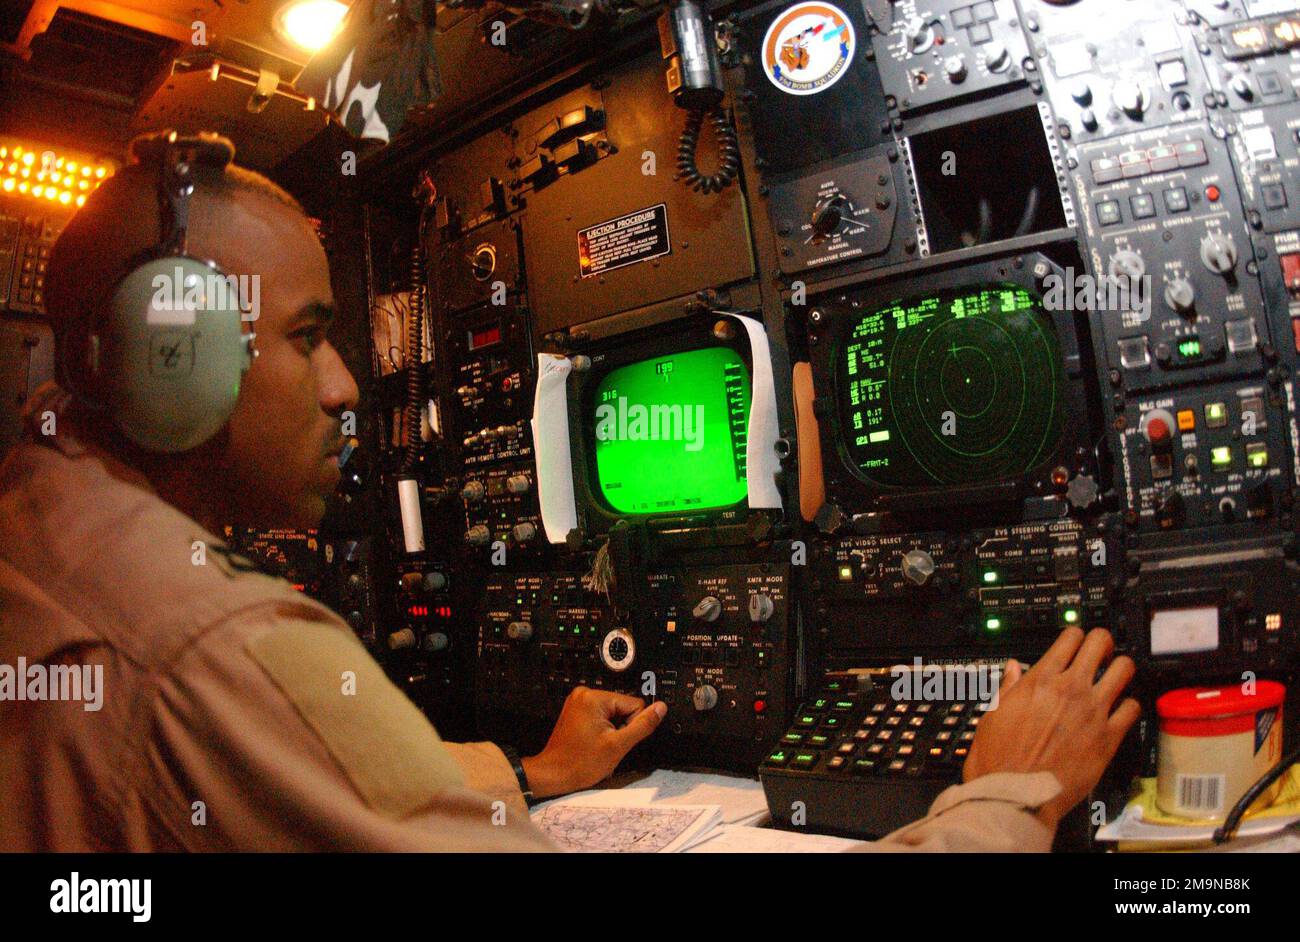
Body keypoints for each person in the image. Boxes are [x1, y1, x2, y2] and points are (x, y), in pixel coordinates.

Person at [0, 135, 1140, 851]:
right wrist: (1002, 799)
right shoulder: (225, 641)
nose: (348, 386)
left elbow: (304, 781)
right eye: (307, 337)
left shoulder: (45, 543)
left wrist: (533, 774)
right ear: (170, 361)